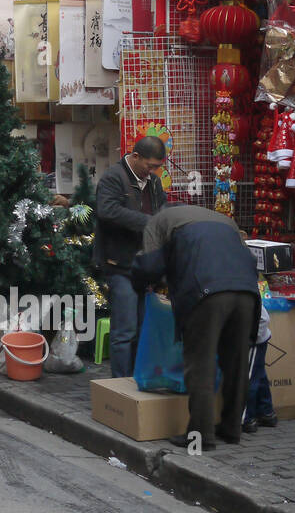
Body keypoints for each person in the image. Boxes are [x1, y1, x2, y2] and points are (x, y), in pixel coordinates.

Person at [132, 204, 260, 449]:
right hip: (247, 292)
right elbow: (249, 259)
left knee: (200, 364)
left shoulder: (158, 221)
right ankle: (232, 428)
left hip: (206, 292)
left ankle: (201, 437)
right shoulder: (224, 221)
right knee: (236, 362)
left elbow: (148, 266)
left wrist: (142, 286)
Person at [94, 136, 167, 377]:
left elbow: (161, 212)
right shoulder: (114, 177)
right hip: (119, 263)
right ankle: (120, 386)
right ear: (135, 157)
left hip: (144, 266)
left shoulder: (154, 182)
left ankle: (137, 381)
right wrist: (150, 223)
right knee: (124, 331)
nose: (153, 171)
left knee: (142, 329)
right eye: (150, 165)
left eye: (156, 166)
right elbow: (108, 211)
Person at [243, 303, 277, 433]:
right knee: (258, 374)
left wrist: (251, 339)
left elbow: (264, 319)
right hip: (256, 338)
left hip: (254, 341)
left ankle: (247, 419)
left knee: (250, 377)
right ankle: (266, 412)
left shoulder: (243, 291)